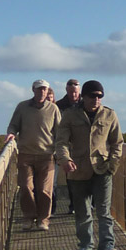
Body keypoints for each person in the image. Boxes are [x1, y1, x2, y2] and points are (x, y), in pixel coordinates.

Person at [55, 79, 124, 250]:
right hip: (77, 170)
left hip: (102, 169)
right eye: (92, 96)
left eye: (100, 96)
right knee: (83, 212)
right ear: (83, 96)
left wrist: (113, 163)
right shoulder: (69, 115)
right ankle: (85, 245)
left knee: (103, 211)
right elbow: (61, 142)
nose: (96, 99)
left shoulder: (109, 115)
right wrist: (65, 160)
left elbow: (117, 142)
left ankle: (107, 249)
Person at [5, 80, 62, 231]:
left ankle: (43, 219)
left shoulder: (53, 109)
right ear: (33, 90)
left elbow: (60, 132)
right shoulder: (22, 107)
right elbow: (14, 125)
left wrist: (60, 152)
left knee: (44, 190)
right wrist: (11, 134)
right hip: (25, 154)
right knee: (25, 187)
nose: (42, 92)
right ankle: (28, 217)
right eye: (39, 89)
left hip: (46, 155)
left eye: (45, 89)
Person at [53, 79, 80, 214]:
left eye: (75, 92)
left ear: (79, 91)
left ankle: (88, 205)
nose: (73, 95)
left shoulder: (85, 104)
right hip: (65, 145)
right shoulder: (58, 106)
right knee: (70, 176)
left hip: (82, 145)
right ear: (66, 90)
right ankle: (73, 206)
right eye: (70, 92)